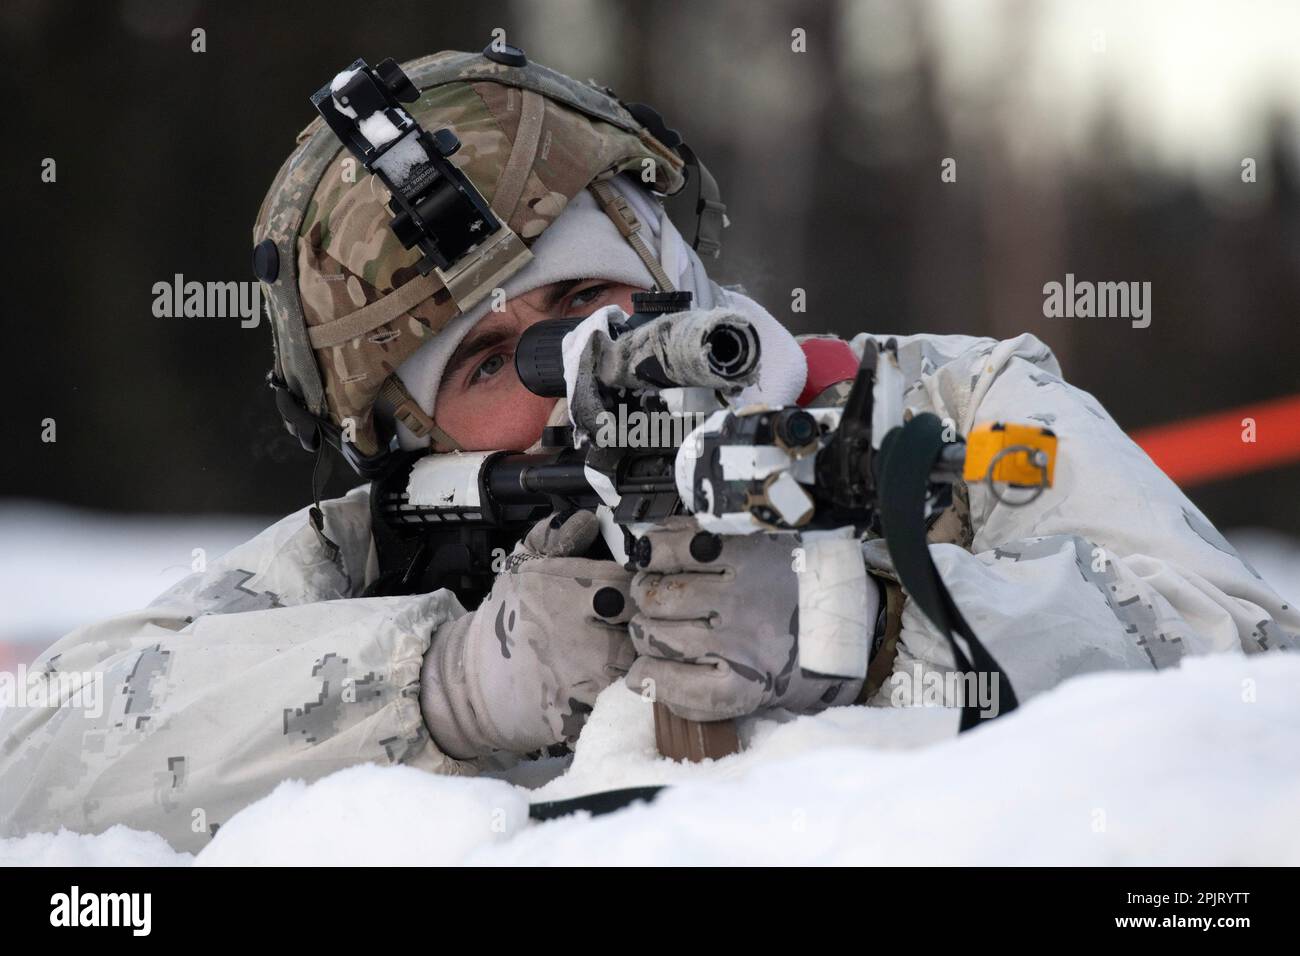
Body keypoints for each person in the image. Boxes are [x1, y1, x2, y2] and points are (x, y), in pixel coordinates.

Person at [1, 46, 1294, 853]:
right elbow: (36, 756)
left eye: (585, 301)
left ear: (669, 274)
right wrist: (447, 685)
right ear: (409, 446)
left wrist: (874, 634)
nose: (569, 372)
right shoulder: (382, 554)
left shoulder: (946, 410)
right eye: (491, 363)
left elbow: (1248, 689)